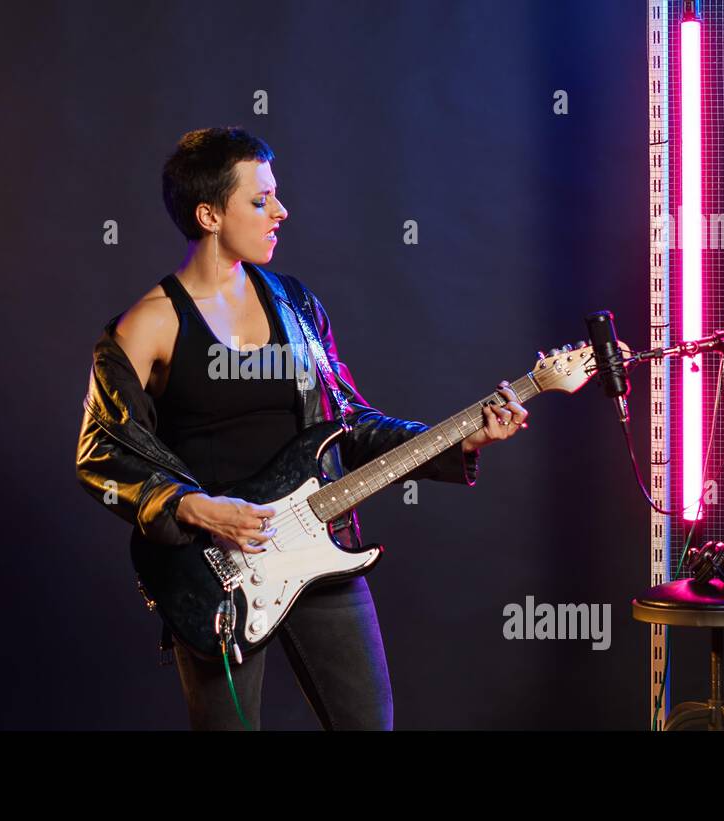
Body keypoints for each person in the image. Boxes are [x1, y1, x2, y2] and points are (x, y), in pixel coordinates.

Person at [76, 126, 528, 730]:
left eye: (276, 195)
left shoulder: (295, 305)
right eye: (260, 200)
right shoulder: (150, 323)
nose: (280, 211)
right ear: (209, 214)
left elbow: (348, 425)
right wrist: (194, 508)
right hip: (215, 572)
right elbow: (100, 448)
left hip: (319, 546)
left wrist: (465, 437)